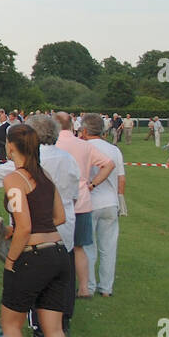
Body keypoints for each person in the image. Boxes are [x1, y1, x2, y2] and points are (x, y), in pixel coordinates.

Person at [0, 113, 79, 336]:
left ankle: (36, 325)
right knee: (60, 294)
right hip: (63, 233)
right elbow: (71, 197)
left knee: (22, 303)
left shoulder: (26, 168)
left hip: (34, 240)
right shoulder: (67, 158)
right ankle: (63, 320)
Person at [0, 124, 73, 337]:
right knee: (53, 328)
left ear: (11, 146)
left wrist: (11, 260)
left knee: (11, 325)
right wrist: (19, 231)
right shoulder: (46, 176)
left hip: (33, 256)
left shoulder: (14, 180)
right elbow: (59, 217)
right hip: (59, 254)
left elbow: (25, 226)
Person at [54, 112, 113, 298]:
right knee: (79, 247)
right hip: (82, 200)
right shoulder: (84, 145)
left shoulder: (52, 145)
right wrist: (92, 184)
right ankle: (84, 287)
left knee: (57, 246)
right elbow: (108, 164)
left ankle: (60, 285)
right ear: (72, 124)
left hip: (59, 202)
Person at [81, 113, 125, 296]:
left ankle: (89, 286)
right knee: (108, 248)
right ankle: (106, 287)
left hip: (90, 202)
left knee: (88, 247)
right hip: (110, 202)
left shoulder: (83, 148)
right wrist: (120, 200)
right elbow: (121, 179)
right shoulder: (114, 150)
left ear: (84, 130)